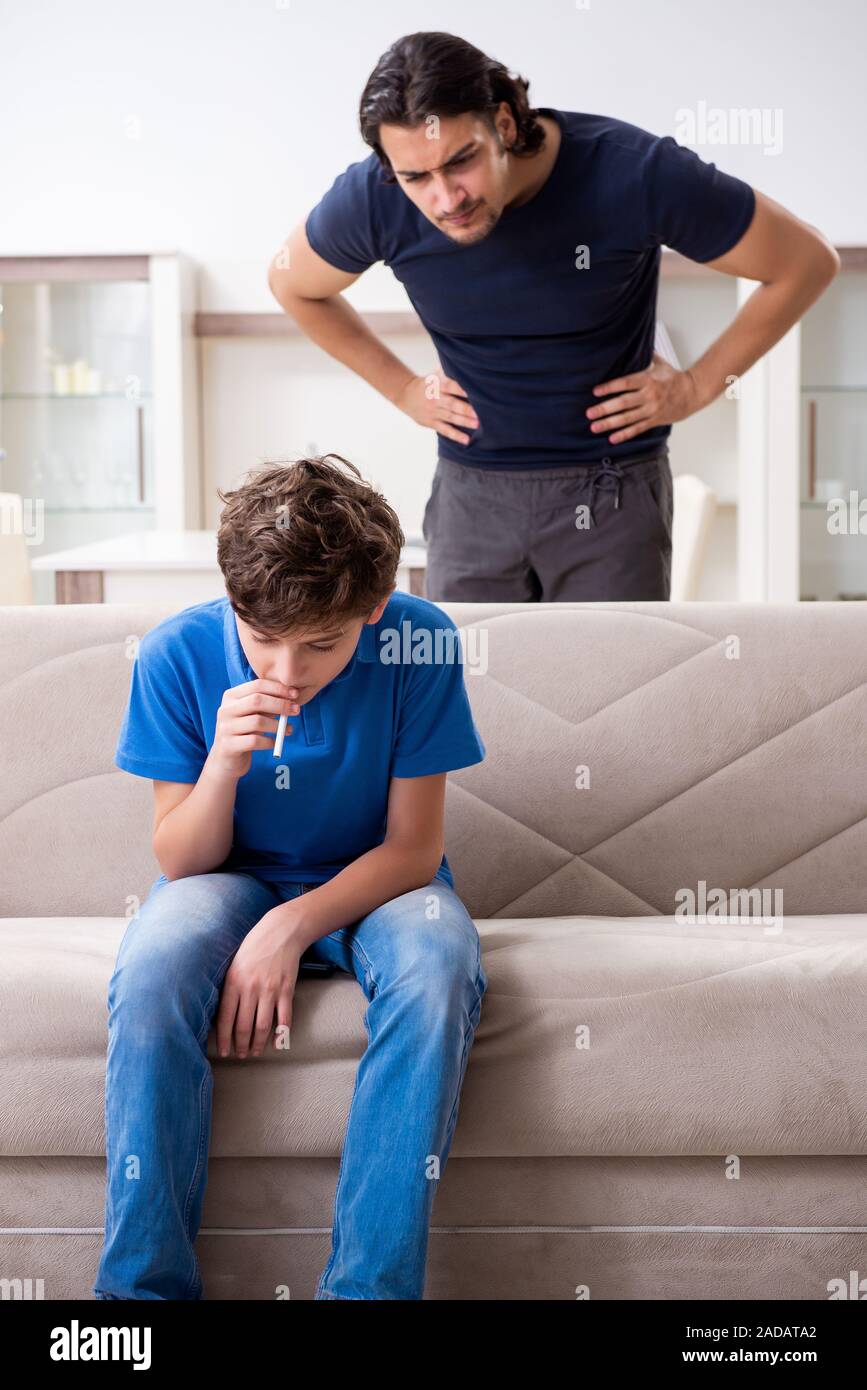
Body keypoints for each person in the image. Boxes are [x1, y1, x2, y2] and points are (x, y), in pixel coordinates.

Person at [92, 454, 488, 1301]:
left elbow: (413, 850)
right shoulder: (174, 654)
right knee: (153, 965)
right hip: (225, 878)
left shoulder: (419, 641)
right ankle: (139, 1298)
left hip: (378, 884)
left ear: (374, 610)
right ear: (232, 601)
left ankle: (366, 1293)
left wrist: (290, 925)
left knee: (437, 965)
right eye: (262, 640)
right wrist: (221, 766)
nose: (285, 673)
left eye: (321, 645)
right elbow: (180, 861)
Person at [268, 30, 839, 602]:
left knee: (615, 665)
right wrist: (402, 390)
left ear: (505, 124)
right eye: (416, 177)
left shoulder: (634, 171)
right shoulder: (376, 195)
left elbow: (806, 262)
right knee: (466, 663)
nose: (446, 199)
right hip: (470, 498)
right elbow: (292, 285)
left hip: (612, 495)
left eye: (461, 161)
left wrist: (696, 388)